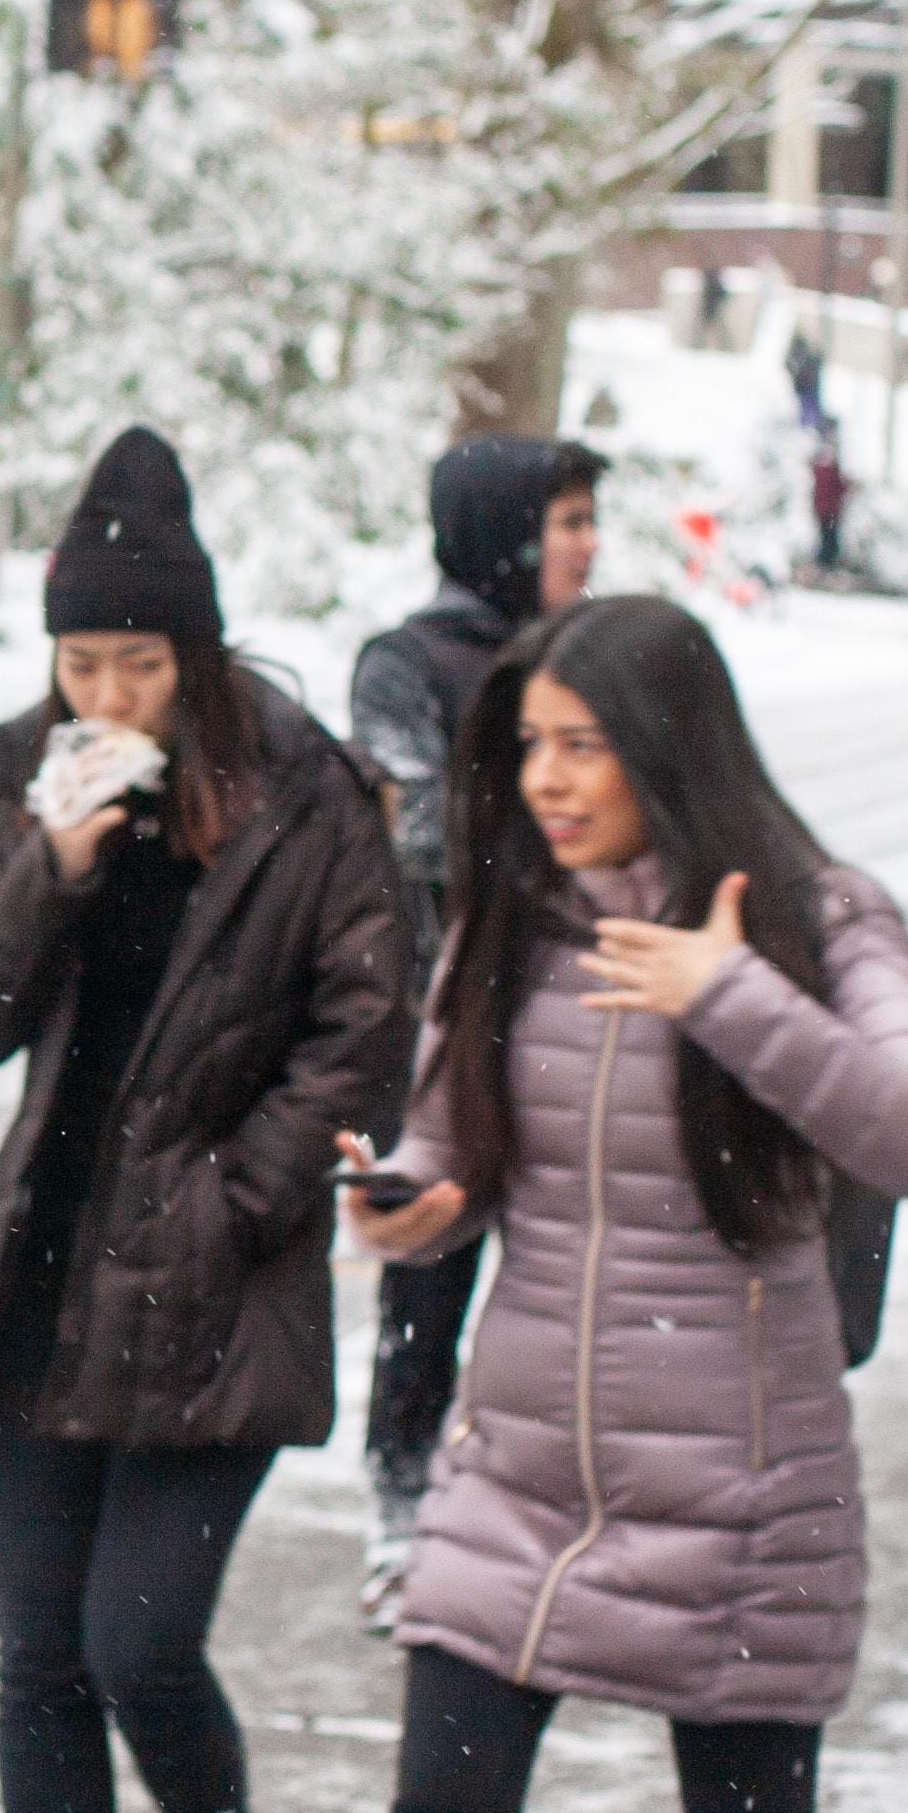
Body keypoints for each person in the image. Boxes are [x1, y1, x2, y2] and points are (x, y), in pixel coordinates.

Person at [348, 594, 908, 1813]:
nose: (546, 782)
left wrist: (731, 994)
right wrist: (412, 1200)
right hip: (516, 1479)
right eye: (528, 746)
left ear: (670, 745)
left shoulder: (820, 915)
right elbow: (452, 1142)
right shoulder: (518, 921)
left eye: (583, 746)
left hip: (741, 1505)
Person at [0, 427, 413, 1813]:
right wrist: (50, 865)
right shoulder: (26, 772)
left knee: (139, 1644)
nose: (107, 699)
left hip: (214, 1290)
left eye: (138, 663)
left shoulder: (300, 793)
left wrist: (236, 1197)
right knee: (37, 1662)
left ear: (191, 654)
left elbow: (365, 1027)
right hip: (42, 1277)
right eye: (81, 662)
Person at [347, 437, 605, 1627]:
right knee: (428, 1289)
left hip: (584, 1021)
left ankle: (562, 1521)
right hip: (448, 1029)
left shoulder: (599, 661)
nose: (586, 543)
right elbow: (414, 838)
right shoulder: (409, 665)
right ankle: (403, 1515)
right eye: (564, 520)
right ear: (500, 531)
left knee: (580, 1292)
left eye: (588, 519)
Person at [808, 433, 851, 573]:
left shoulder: (820, 471)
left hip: (825, 511)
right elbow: (838, 488)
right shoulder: (829, 472)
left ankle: (824, 566)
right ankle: (826, 567)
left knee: (827, 539)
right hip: (829, 511)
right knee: (829, 540)